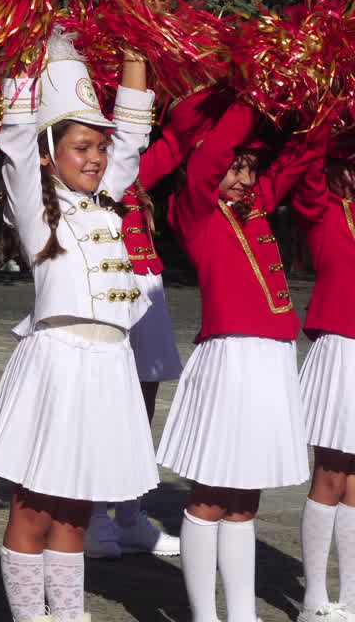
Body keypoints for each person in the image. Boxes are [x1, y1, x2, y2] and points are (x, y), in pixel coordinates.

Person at [0, 32, 157, 622]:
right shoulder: (35, 201)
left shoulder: (107, 199)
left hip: (109, 367)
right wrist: (20, 39)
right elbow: (17, 141)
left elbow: (131, 137)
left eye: (99, 148)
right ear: (51, 154)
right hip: (57, 364)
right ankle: (32, 617)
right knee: (33, 508)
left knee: (76, 509)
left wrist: (136, 49)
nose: (97, 157)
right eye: (82, 147)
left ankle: (70, 615)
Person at [156, 95, 315, 622]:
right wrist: (242, 94)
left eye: (249, 170)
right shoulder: (195, 213)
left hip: (272, 360)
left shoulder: (261, 205)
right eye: (234, 170)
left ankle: (242, 614)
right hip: (229, 361)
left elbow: (297, 155)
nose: (245, 180)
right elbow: (204, 163)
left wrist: (326, 100)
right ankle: (205, 614)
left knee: (246, 500)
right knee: (209, 495)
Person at [83, 90, 217, 559]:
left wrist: (206, 86)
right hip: (105, 286)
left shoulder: (132, 167)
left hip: (147, 281)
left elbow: (178, 140)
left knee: (144, 396)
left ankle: (130, 511)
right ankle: (93, 515)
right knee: (104, 398)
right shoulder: (78, 170)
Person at [288, 123, 355, 622]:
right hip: (339, 351)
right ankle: (315, 595)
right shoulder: (327, 209)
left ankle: (350, 596)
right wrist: (322, 115)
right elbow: (306, 176)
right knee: (330, 476)